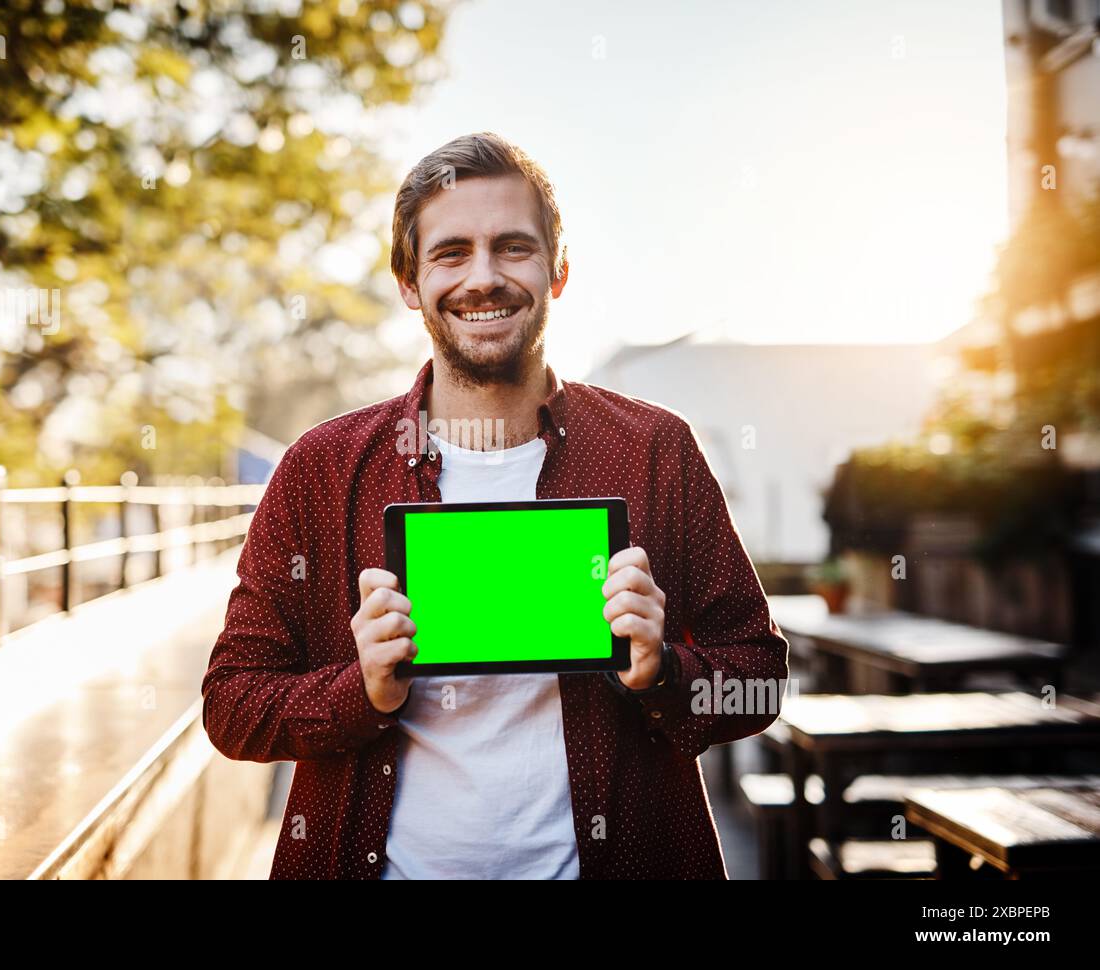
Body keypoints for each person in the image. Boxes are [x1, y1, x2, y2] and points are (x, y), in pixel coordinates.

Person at [201, 132, 789, 879]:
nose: (484, 277)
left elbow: (761, 677)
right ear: (409, 282)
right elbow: (231, 705)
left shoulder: (656, 450)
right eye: (451, 253)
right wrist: (362, 689)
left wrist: (663, 673)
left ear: (558, 271)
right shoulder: (320, 470)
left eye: (513, 247)